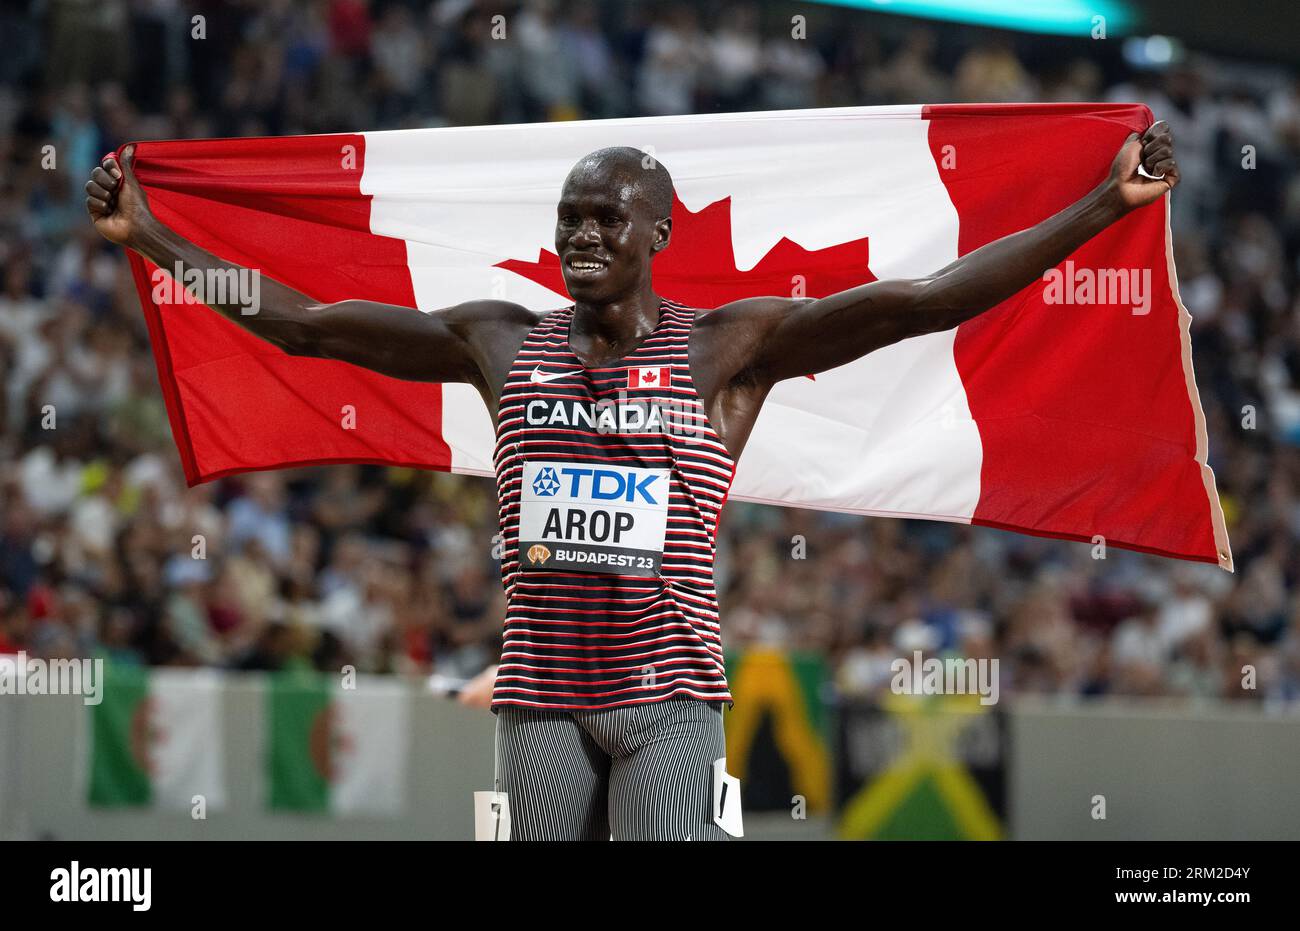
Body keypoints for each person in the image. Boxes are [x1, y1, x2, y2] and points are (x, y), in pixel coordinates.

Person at [85, 124, 1178, 839]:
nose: (582, 234)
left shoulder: (728, 351)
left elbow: (928, 298)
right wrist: (150, 236)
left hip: (669, 706)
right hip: (540, 707)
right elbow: (308, 326)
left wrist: (1100, 208)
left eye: (607, 217)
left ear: (658, 232)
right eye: (569, 217)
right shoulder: (500, 342)